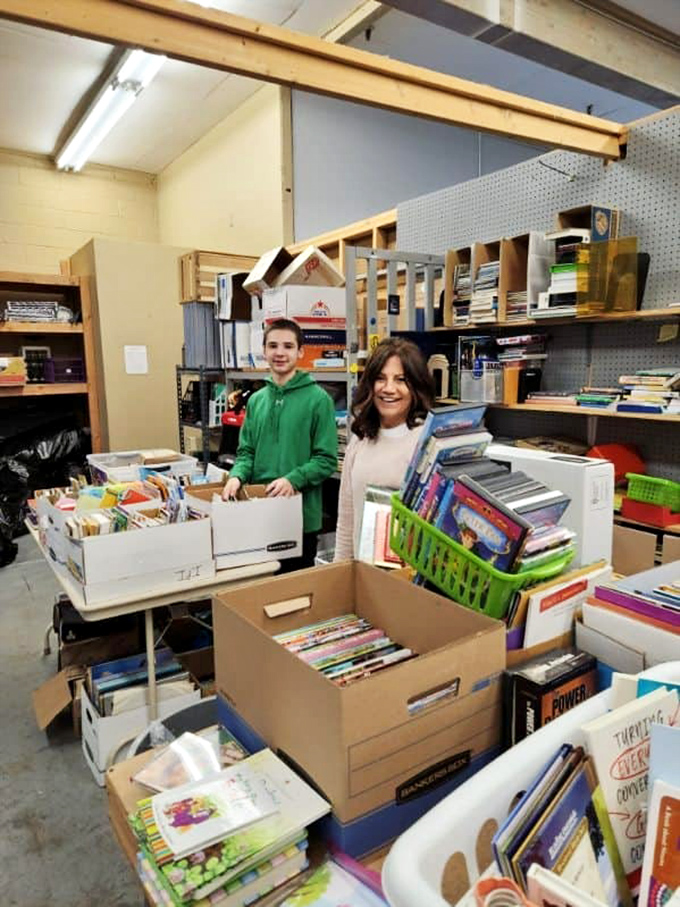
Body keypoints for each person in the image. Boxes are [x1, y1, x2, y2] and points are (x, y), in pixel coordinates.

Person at [221, 318, 338, 571]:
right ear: (264, 351)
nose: (280, 353)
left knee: (293, 595)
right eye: (273, 346)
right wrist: (236, 476)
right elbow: (246, 452)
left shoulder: (319, 400)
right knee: (257, 588)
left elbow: (326, 459)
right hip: (258, 512)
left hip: (299, 519)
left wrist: (292, 480)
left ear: (300, 352)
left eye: (288, 346)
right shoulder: (256, 401)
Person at [334, 337, 434, 561]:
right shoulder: (359, 442)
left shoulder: (427, 444)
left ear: (416, 386)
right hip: (363, 576)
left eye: (401, 380)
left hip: (409, 582)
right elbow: (346, 520)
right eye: (380, 379)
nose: (389, 389)